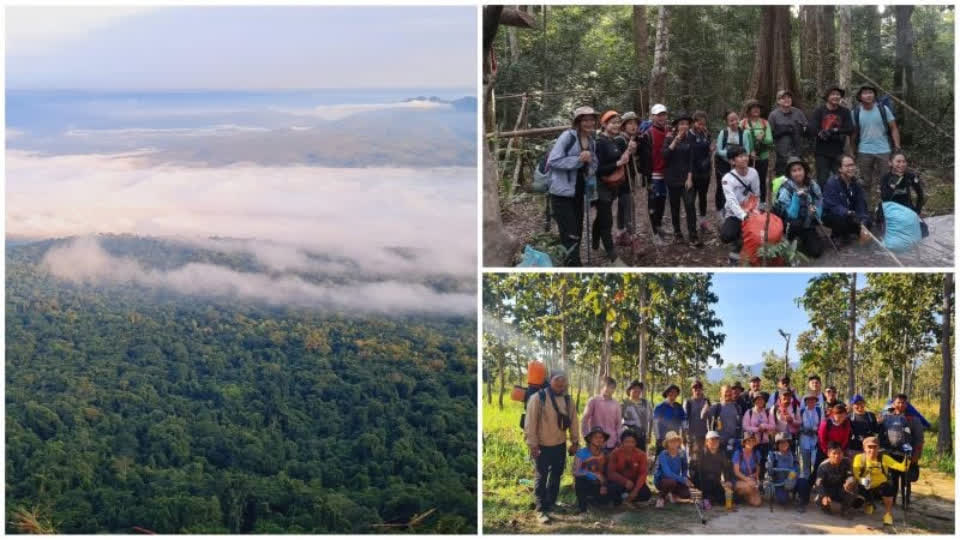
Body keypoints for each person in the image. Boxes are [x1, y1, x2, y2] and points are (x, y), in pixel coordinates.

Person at [524, 371, 580, 523]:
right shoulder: (538, 398)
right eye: (557, 380)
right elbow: (530, 423)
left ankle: (551, 502)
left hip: (560, 444)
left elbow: (574, 422)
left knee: (556, 474)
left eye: (563, 381)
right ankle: (540, 508)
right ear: (550, 380)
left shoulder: (568, 400)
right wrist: (533, 445)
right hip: (541, 445)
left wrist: (575, 442)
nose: (560, 384)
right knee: (541, 476)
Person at [547, 106, 599, 266]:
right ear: (578, 122)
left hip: (579, 192)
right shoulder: (567, 137)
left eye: (591, 119)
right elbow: (553, 161)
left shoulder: (591, 140)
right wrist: (578, 160)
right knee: (569, 234)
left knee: (577, 231)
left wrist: (589, 163)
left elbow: (594, 164)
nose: (589, 122)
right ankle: (574, 266)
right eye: (585, 119)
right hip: (561, 194)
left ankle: (572, 262)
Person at [852, 84, 901, 209]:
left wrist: (897, 146)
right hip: (864, 151)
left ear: (874, 95)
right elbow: (853, 133)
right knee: (864, 183)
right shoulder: (856, 112)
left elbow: (894, 128)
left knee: (887, 181)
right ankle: (866, 210)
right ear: (860, 96)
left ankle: (887, 209)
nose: (868, 95)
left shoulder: (883, 109)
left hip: (884, 150)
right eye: (865, 93)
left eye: (871, 92)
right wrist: (851, 151)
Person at [593, 111, 631, 262]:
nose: (616, 125)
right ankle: (612, 255)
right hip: (600, 186)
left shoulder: (615, 141)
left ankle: (595, 242)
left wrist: (627, 154)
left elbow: (620, 158)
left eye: (618, 122)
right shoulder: (599, 142)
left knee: (602, 216)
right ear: (604, 124)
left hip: (612, 186)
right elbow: (597, 169)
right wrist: (617, 163)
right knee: (607, 220)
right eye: (612, 122)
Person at [663, 112, 702, 247]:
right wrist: (676, 140)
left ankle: (693, 235)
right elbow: (665, 155)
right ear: (676, 126)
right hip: (672, 178)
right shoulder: (669, 138)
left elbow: (691, 160)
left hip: (686, 179)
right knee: (675, 207)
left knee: (690, 205)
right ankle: (677, 233)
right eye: (681, 124)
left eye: (686, 124)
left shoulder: (690, 139)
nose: (684, 126)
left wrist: (690, 178)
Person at [773, 155, 825, 258]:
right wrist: (796, 197)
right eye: (794, 171)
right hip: (790, 224)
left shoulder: (812, 184)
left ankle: (803, 239)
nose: (797, 173)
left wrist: (816, 211)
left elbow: (819, 200)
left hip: (808, 222)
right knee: (796, 223)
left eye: (799, 170)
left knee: (816, 252)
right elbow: (791, 215)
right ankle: (789, 239)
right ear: (790, 173)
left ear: (804, 170)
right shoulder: (786, 189)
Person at [880, 394, 924, 508]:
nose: (900, 405)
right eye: (898, 402)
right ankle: (892, 501)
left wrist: (916, 455)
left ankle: (905, 502)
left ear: (907, 404)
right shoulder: (887, 417)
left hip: (906, 454)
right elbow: (881, 434)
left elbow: (919, 439)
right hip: (891, 454)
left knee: (906, 480)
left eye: (903, 403)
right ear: (893, 403)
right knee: (892, 480)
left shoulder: (913, 419)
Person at [853, 436, 909, 525]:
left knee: (889, 488)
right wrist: (865, 482)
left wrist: (908, 456)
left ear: (878, 447)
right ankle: (869, 503)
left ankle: (888, 515)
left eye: (875, 447)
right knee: (857, 501)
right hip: (865, 485)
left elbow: (902, 468)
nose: (872, 450)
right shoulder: (859, 458)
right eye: (869, 447)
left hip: (880, 486)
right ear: (864, 448)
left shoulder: (884, 458)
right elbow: (856, 474)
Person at [718, 146, 761, 264]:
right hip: (734, 213)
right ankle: (735, 237)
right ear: (732, 161)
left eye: (745, 155)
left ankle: (742, 244)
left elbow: (757, 194)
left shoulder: (754, 173)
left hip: (751, 210)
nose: (745, 159)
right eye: (740, 156)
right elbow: (731, 201)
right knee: (726, 236)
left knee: (758, 234)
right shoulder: (727, 179)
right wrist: (743, 216)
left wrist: (754, 211)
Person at [809, 85, 854, 187]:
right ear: (827, 97)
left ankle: (842, 200)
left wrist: (834, 130)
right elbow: (811, 128)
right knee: (823, 180)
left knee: (842, 178)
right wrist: (820, 133)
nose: (836, 97)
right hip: (822, 152)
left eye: (838, 95)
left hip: (838, 151)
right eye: (833, 94)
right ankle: (824, 201)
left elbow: (850, 129)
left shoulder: (845, 112)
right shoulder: (819, 111)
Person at [638, 104, 670, 241]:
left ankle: (658, 226)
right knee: (653, 203)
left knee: (662, 202)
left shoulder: (668, 131)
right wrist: (647, 178)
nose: (661, 117)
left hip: (666, 173)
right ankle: (654, 233)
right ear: (652, 117)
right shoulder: (648, 134)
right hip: (653, 174)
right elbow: (644, 158)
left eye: (663, 114)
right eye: (658, 115)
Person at [823, 155, 871, 243]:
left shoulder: (856, 183)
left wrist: (863, 221)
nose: (851, 168)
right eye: (847, 166)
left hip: (851, 215)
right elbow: (832, 205)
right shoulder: (832, 183)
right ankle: (837, 235)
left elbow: (860, 203)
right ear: (840, 169)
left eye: (852, 165)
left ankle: (850, 231)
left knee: (868, 221)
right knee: (840, 221)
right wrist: (847, 212)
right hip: (834, 214)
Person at [714, 111, 753, 212]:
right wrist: (730, 156)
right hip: (723, 163)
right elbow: (718, 150)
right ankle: (721, 208)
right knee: (723, 185)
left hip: (738, 164)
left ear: (739, 120)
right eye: (731, 120)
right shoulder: (724, 133)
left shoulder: (743, 133)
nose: (734, 122)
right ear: (727, 122)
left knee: (738, 186)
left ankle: (737, 208)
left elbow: (747, 150)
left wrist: (737, 160)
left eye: (735, 119)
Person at [768, 89, 809, 176]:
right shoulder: (773, 115)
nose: (787, 99)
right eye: (783, 98)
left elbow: (806, 128)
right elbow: (770, 135)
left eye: (789, 97)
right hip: (782, 155)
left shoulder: (798, 112)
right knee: (782, 179)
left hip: (798, 152)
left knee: (798, 177)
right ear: (778, 101)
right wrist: (781, 131)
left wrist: (802, 129)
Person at [607, 429, 653, 505]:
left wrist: (636, 490)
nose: (629, 444)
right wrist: (624, 481)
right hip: (619, 482)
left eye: (632, 442)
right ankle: (624, 499)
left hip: (634, 482)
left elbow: (643, 474)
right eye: (627, 442)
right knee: (612, 489)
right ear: (622, 442)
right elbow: (611, 473)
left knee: (646, 493)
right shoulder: (615, 453)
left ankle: (625, 498)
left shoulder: (641, 455)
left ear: (636, 443)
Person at [574, 426, 614, 512]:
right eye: (596, 437)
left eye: (601, 437)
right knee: (579, 480)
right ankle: (582, 508)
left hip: (601, 484)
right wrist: (592, 474)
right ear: (590, 439)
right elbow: (576, 472)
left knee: (614, 489)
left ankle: (596, 501)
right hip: (586, 483)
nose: (599, 439)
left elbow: (609, 472)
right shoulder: (581, 453)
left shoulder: (606, 454)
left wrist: (604, 484)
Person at [741, 100, 774, 203]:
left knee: (761, 180)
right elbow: (739, 139)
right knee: (746, 180)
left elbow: (770, 140)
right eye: (753, 107)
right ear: (749, 110)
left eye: (758, 107)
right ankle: (746, 203)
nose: (756, 109)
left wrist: (762, 138)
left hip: (762, 156)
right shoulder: (743, 123)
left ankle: (762, 203)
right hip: (746, 158)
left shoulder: (765, 123)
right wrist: (748, 152)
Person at [813, 442, 857, 516]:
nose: (837, 456)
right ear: (828, 454)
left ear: (843, 453)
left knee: (853, 485)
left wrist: (850, 481)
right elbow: (818, 484)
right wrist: (824, 496)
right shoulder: (823, 466)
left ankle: (845, 509)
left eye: (839, 453)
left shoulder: (847, 462)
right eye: (834, 453)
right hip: (828, 490)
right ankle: (826, 507)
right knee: (819, 499)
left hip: (841, 488)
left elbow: (850, 475)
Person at [766, 432, 809, 510]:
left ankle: (800, 501)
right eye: (781, 442)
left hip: (791, 480)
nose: (784, 444)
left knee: (803, 482)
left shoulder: (793, 455)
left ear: (789, 444)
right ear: (777, 444)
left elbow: (797, 469)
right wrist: (769, 470)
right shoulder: (772, 455)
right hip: (779, 483)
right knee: (783, 501)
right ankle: (783, 494)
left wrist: (791, 477)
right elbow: (769, 471)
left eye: (785, 442)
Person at [693, 431, 734, 510]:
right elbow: (698, 474)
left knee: (725, 499)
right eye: (712, 440)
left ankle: (710, 499)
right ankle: (705, 499)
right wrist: (702, 492)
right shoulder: (700, 454)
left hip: (716, 482)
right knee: (708, 497)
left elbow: (726, 468)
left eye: (716, 440)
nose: (715, 442)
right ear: (707, 442)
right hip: (703, 483)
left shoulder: (721, 453)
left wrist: (727, 480)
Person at [616, 111, 641, 236]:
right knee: (628, 206)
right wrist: (629, 150)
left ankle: (620, 232)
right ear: (624, 125)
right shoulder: (620, 140)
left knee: (622, 205)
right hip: (623, 179)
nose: (633, 126)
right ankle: (633, 237)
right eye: (630, 123)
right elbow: (619, 159)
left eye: (635, 123)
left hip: (628, 177)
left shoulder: (630, 139)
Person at [581, 376, 622, 451]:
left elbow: (618, 424)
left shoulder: (616, 404)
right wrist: (586, 437)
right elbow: (584, 420)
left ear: (614, 390)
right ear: (602, 387)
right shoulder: (593, 401)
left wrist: (619, 439)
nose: (608, 389)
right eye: (607, 386)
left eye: (612, 387)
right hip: (595, 442)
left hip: (611, 442)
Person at [879, 151, 925, 216]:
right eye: (898, 161)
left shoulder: (910, 176)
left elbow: (920, 194)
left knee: (922, 226)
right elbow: (885, 197)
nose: (902, 164)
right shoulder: (886, 178)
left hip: (907, 210)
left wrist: (917, 210)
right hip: (891, 211)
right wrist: (896, 179)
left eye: (904, 162)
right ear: (890, 163)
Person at [689, 111, 714, 230]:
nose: (701, 126)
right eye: (699, 123)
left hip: (705, 171)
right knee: (691, 199)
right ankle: (692, 222)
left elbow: (708, 150)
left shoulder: (706, 134)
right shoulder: (689, 135)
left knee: (703, 196)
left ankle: (703, 221)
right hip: (692, 172)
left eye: (703, 124)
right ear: (694, 123)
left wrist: (711, 149)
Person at [742, 392, 775, 480]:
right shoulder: (749, 412)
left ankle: (762, 483)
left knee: (764, 463)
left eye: (761, 399)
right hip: (753, 443)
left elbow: (773, 425)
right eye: (757, 399)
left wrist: (764, 426)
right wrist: (756, 429)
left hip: (765, 442)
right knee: (753, 463)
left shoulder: (768, 412)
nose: (760, 401)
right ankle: (752, 482)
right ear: (754, 401)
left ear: (764, 401)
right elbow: (745, 426)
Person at [653, 430, 690, 508]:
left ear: (678, 442)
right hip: (662, 480)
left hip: (675, 479)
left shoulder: (682, 453)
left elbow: (685, 468)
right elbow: (668, 473)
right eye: (671, 441)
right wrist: (683, 480)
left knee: (686, 494)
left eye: (675, 440)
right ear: (667, 443)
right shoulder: (663, 454)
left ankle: (672, 494)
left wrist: (684, 478)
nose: (673, 443)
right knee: (670, 482)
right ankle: (661, 498)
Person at [702, 384, 743, 455]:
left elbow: (740, 423)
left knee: (732, 463)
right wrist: (705, 408)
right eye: (726, 392)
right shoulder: (716, 406)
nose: (728, 393)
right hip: (719, 442)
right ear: (721, 393)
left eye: (730, 391)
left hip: (733, 441)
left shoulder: (737, 407)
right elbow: (703, 416)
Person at [653, 384, 686, 458]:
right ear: (667, 393)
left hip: (675, 438)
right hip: (663, 439)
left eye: (675, 392)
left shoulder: (678, 407)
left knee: (674, 458)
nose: (673, 394)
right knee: (660, 459)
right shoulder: (660, 407)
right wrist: (658, 438)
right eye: (671, 392)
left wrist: (684, 435)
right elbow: (655, 423)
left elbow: (683, 421)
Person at [798, 392, 825, 482]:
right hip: (804, 440)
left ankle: (816, 482)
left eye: (813, 400)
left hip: (815, 440)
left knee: (815, 462)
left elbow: (822, 424)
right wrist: (803, 429)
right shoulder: (801, 411)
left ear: (816, 401)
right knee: (806, 464)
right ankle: (807, 483)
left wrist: (816, 430)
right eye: (809, 400)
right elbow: (798, 424)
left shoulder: (819, 410)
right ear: (805, 402)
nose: (811, 402)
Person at [683, 380, 710, 466]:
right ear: (692, 390)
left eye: (699, 388)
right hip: (692, 436)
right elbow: (684, 420)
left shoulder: (706, 401)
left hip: (705, 435)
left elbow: (711, 417)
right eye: (695, 388)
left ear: (702, 390)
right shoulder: (688, 402)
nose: (697, 390)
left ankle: (702, 477)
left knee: (704, 457)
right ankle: (691, 477)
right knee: (692, 458)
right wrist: (684, 436)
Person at [732, 433, 763, 506]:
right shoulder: (738, 453)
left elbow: (758, 468)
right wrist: (747, 479)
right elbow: (736, 472)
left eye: (752, 441)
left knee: (757, 503)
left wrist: (756, 476)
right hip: (738, 480)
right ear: (744, 442)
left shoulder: (756, 453)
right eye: (748, 441)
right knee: (748, 487)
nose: (750, 442)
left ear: (755, 442)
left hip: (751, 480)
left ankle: (747, 496)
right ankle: (741, 495)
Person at [622, 380, 652, 452]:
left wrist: (649, 435)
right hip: (628, 437)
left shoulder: (645, 403)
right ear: (629, 390)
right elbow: (618, 421)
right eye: (634, 388)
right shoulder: (624, 404)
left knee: (641, 455)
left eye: (639, 389)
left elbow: (651, 420)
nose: (637, 390)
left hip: (641, 435)